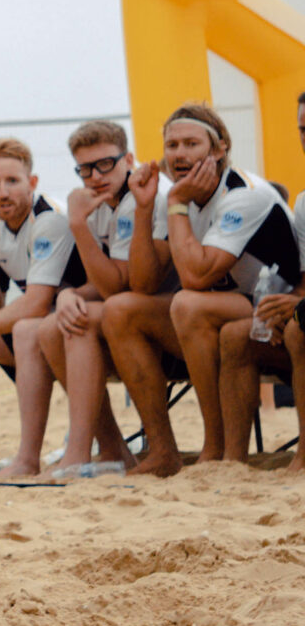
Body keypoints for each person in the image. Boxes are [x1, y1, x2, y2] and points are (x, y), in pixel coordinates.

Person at [115, 103, 299, 473]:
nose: (179, 154)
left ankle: (214, 447)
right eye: (172, 145)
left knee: (188, 304)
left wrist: (178, 204)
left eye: (191, 144)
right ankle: (163, 452)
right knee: (120, 310)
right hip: (232, 311)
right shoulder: (177, 196)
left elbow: (198, 277)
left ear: (219, 149)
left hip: (281, 311)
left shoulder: (243, 194)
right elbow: (143, 282)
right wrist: (142, 208)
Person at [3, 124, 138, 477]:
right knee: (48, 325)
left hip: (156, 311)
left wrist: (78, 225)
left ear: (129, 160)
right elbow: (101, 283)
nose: (95, 176)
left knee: (70, 322)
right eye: (85, 169)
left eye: (105, 164)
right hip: (129, 308)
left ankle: (78, 453)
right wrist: (69, 294)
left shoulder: (131, 200)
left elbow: (120, 286)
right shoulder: (97, 203)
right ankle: (105, 448)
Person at [0, 138, 85, 476]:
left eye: (12, 181)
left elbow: (36, 302)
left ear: (32, 182)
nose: (3, 191)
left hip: (79, 330)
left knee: (22, 329)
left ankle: (26, 459)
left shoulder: (49, 219)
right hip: (43, 332)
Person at [219, 95, 305, 473]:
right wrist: (282, 310)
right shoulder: (303, 203)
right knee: (239, 335)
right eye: (303, 129)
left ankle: (303, 456)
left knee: (300, 329)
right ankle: (232, 462)